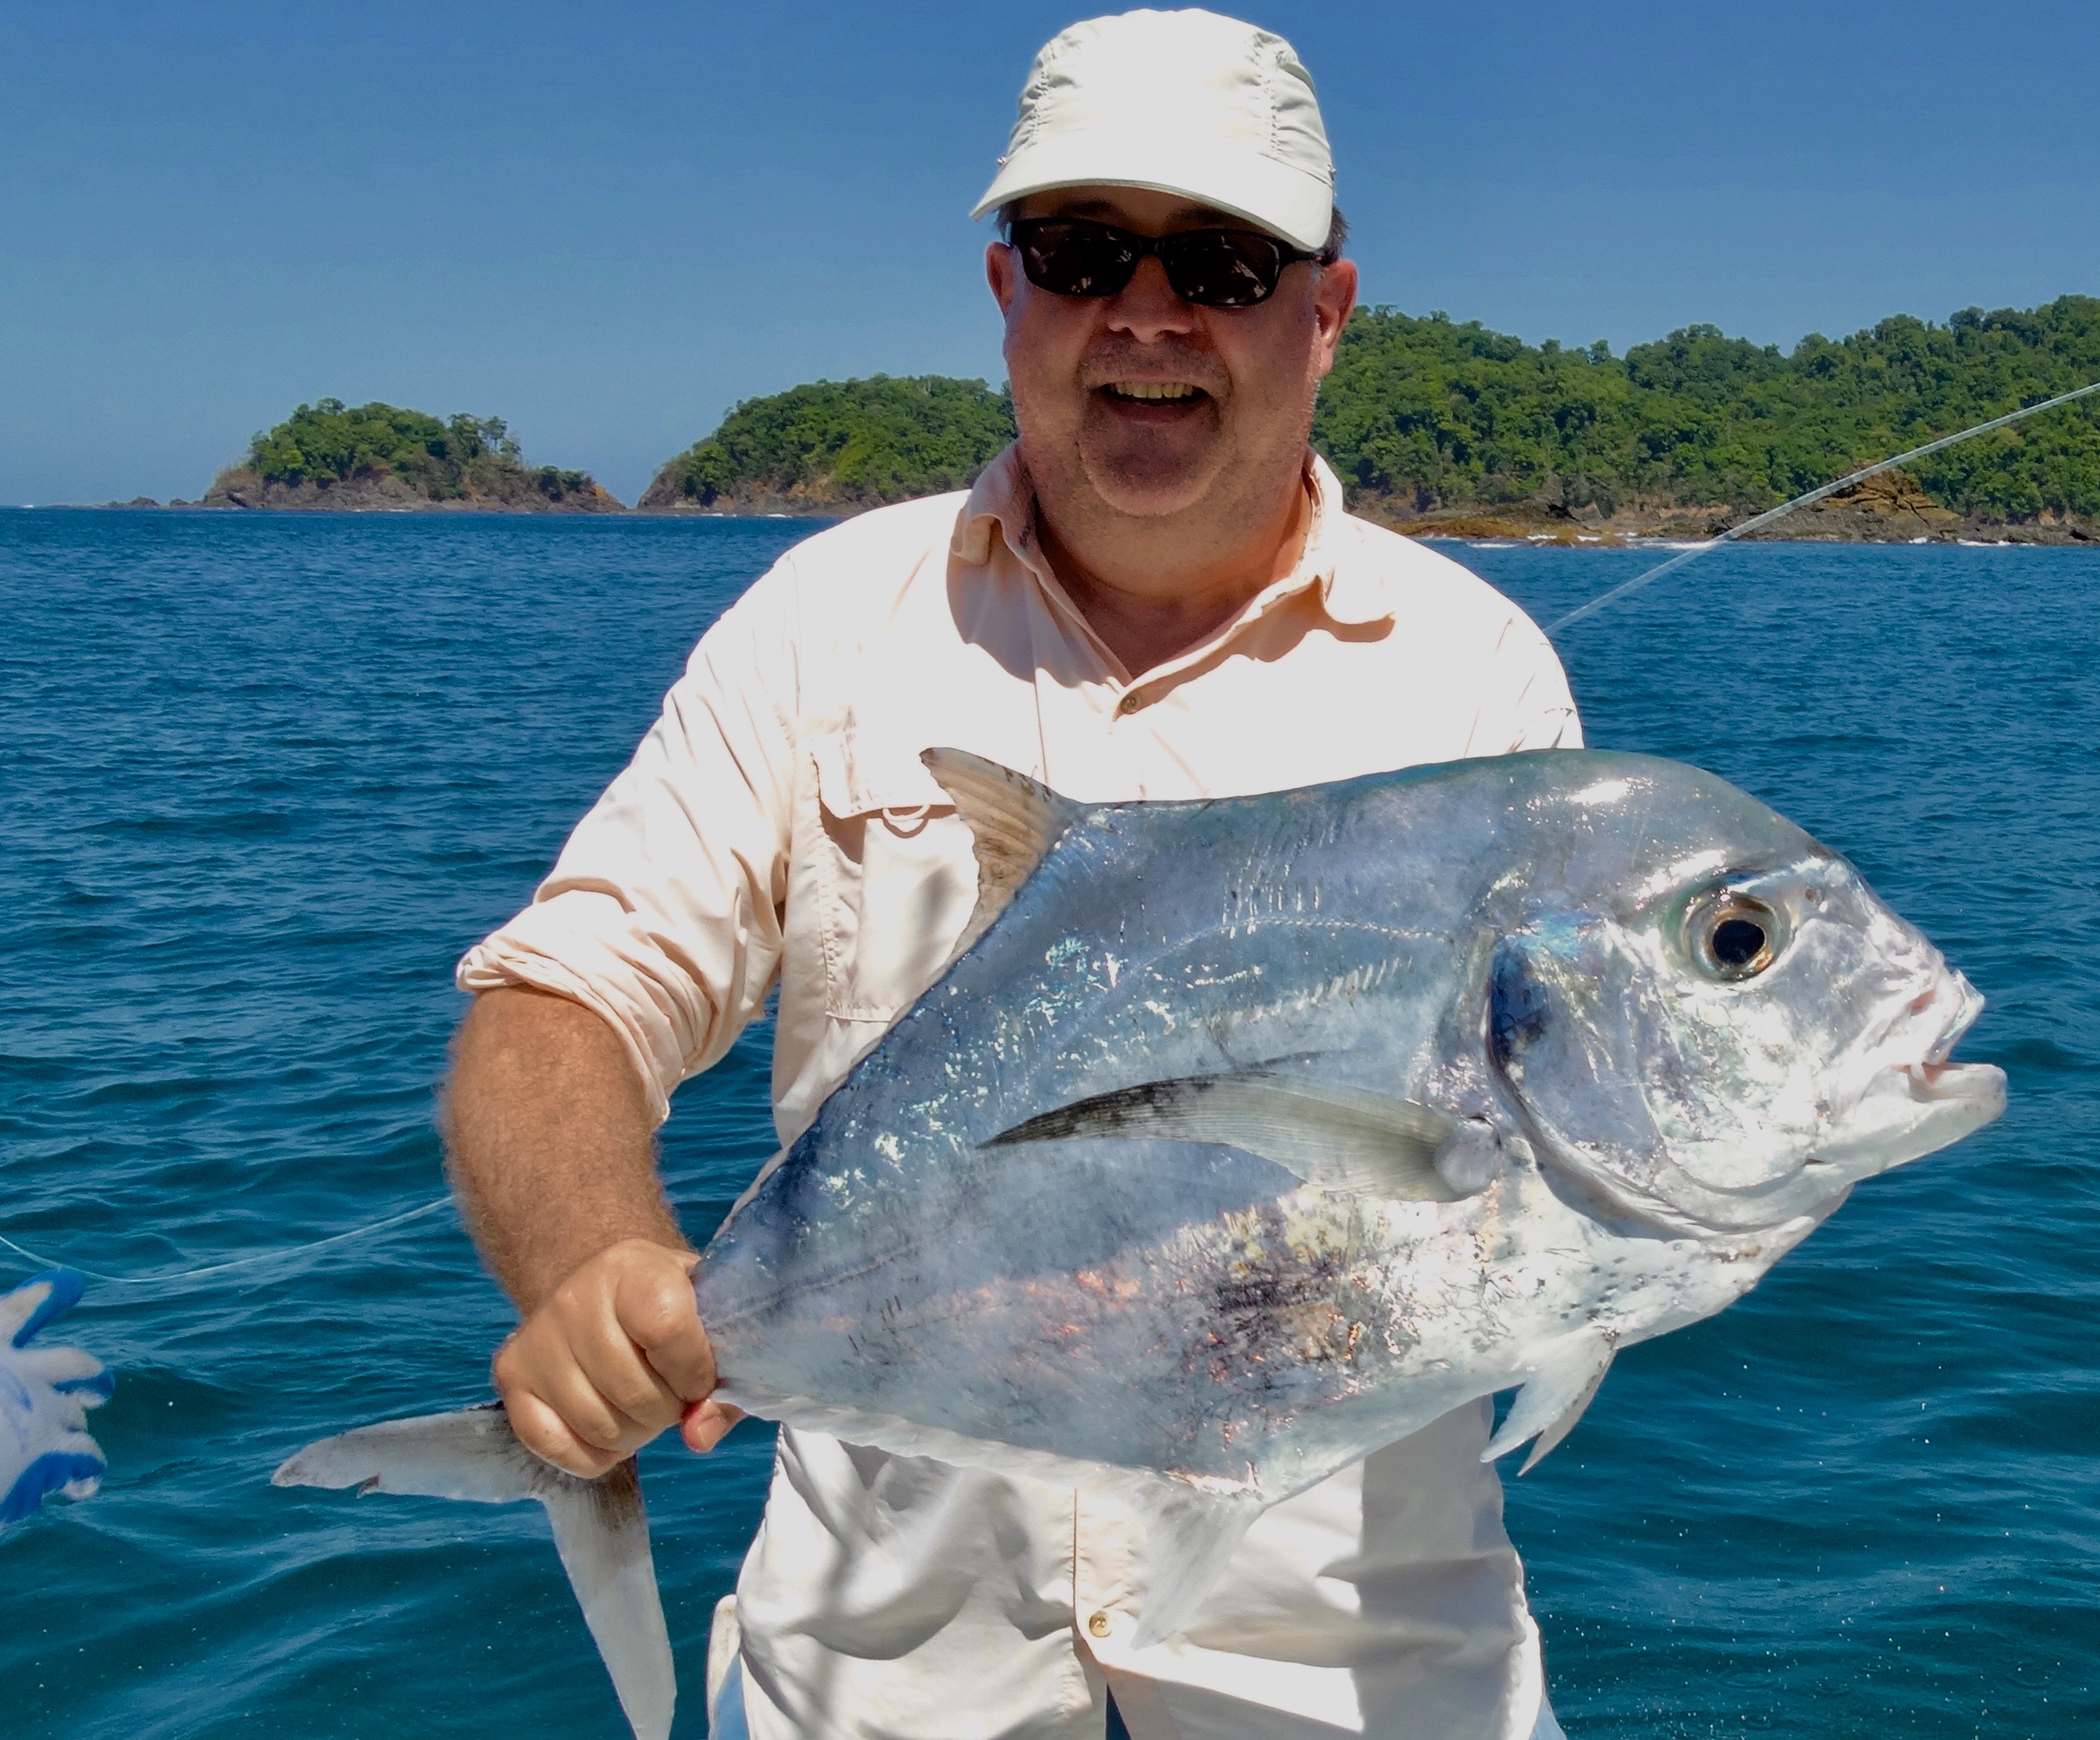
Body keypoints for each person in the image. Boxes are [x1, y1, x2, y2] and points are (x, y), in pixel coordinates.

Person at [443, 11, 1582, 1738]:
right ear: (1007, 296)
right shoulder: (827, 624)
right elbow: (562, 1002)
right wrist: (593, 1264)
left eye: (1218, 259)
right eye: (1078, 254)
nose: (1145, 313)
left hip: (1353, 1682)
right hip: (883, 1680)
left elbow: (1536, 1173)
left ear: (1325, 317)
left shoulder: (1473, 677)